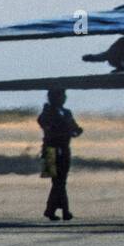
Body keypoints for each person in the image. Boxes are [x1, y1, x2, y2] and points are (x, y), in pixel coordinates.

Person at [38, 89, 82, 221]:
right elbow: (45, 125)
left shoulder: (67, 113)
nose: (63, 98)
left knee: (60, 181)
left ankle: (53, 210)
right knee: (58, 182)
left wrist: (75, 131)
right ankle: (62, 211)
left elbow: (75, 128)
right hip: (51, 150)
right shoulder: (47, 113)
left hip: (64, 149)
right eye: (61, 96)